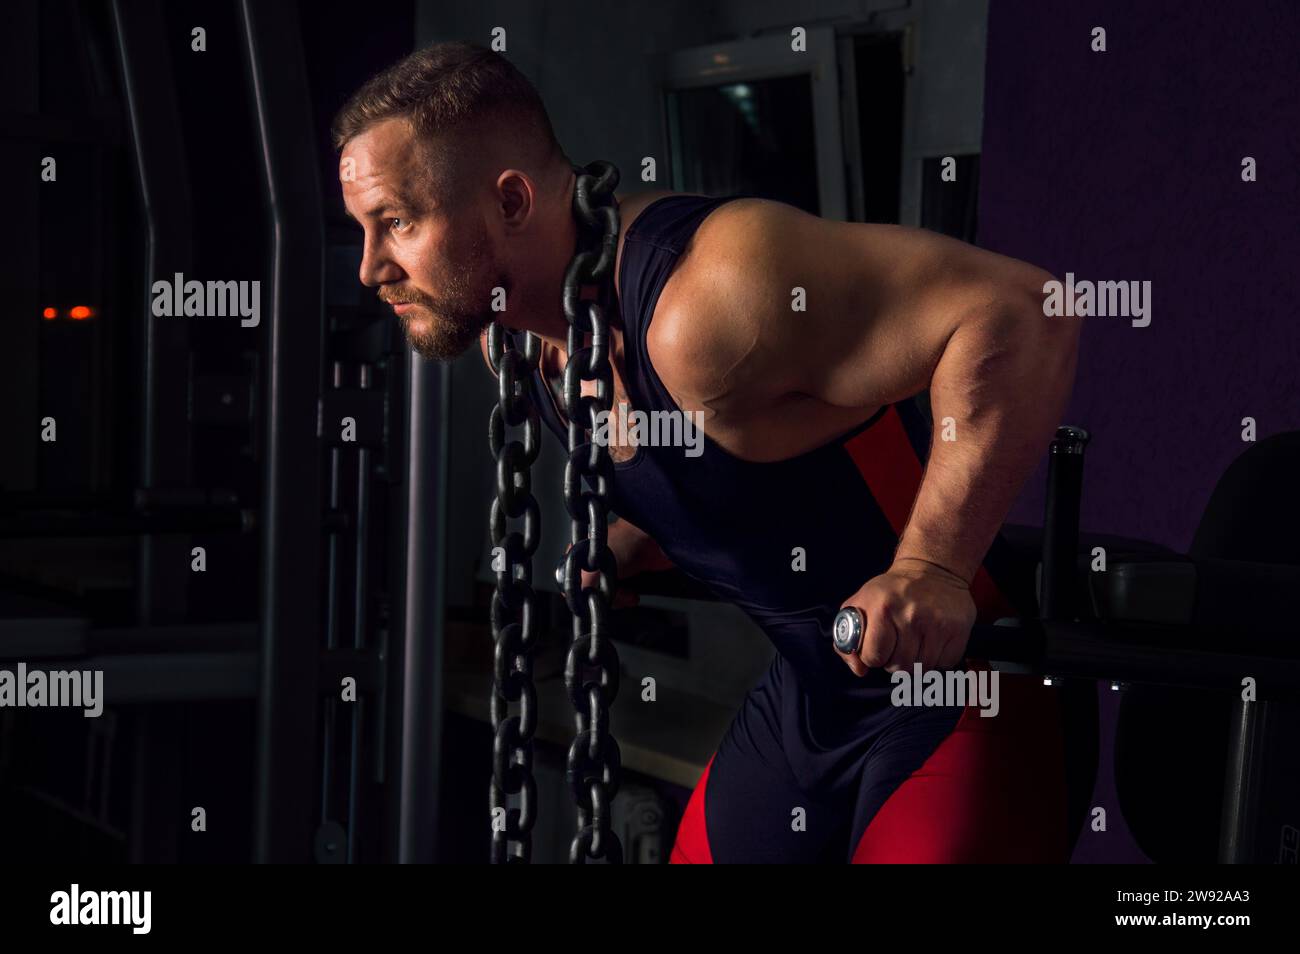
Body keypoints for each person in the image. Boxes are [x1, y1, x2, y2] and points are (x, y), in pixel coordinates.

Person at [333, 41, 1081, 862]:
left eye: (397, 223)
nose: (372, 267)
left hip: (964, 692)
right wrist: (636, 540)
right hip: (810, 696)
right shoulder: (521, 347)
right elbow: (747, 469)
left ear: (510, 201)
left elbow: (1025, 309)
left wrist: (932, 568)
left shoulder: (712, 297)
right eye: (364, 232)